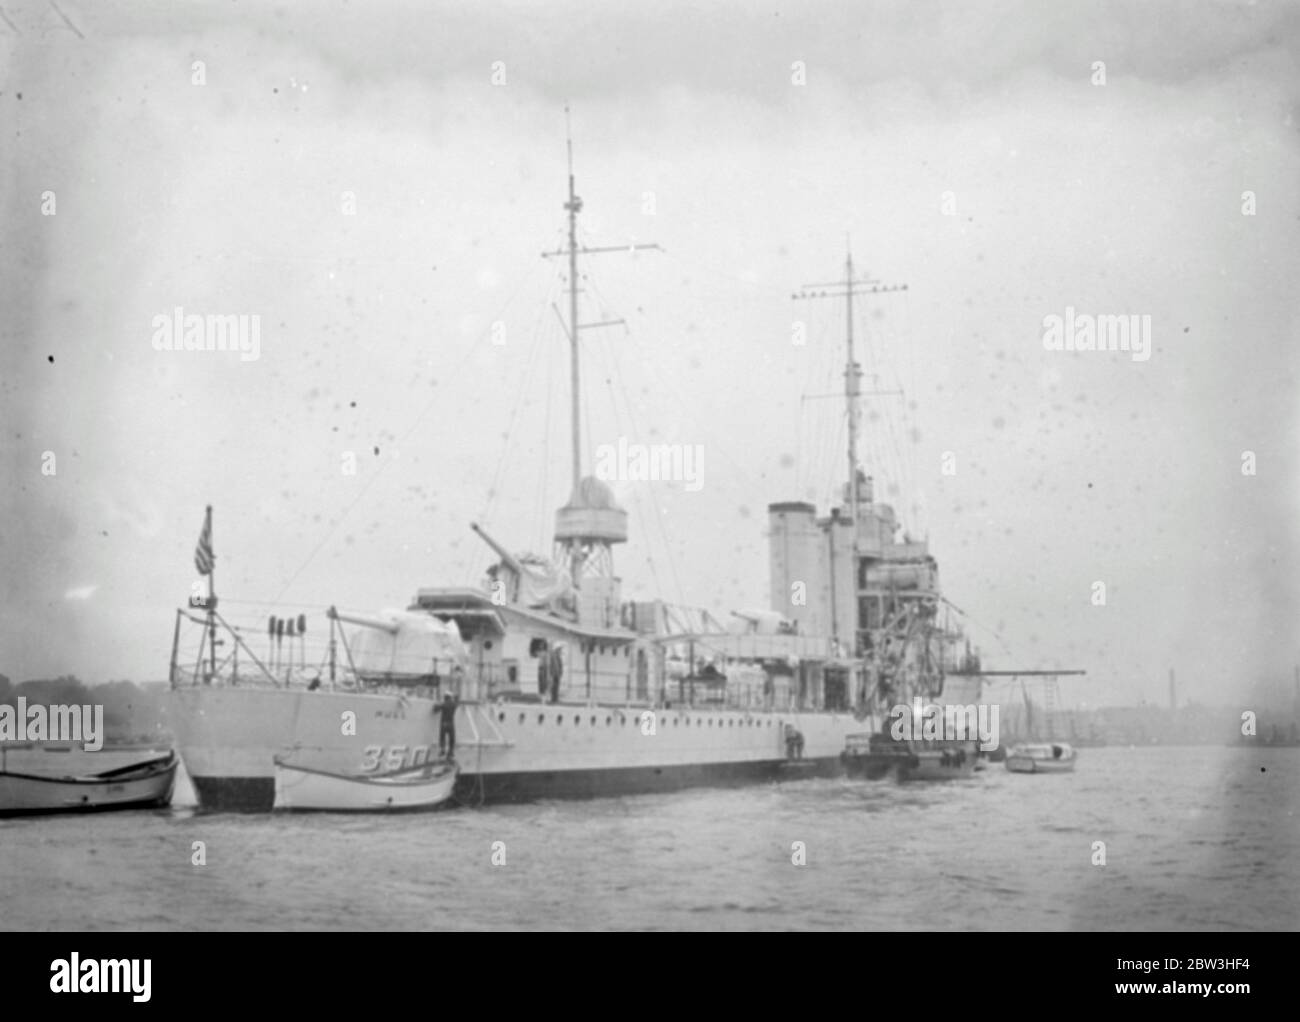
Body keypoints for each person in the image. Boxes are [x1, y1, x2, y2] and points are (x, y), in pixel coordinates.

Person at [435, 691, 457, 760]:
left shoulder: (443, 704)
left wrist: (436, 705)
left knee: (442, 737)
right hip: (451, 723)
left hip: (444, 723)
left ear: (445, 697)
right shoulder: (454, 704)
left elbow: (435, 709)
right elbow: (456, 703)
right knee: (451, 738)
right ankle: (450, 751)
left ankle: (443, 750)